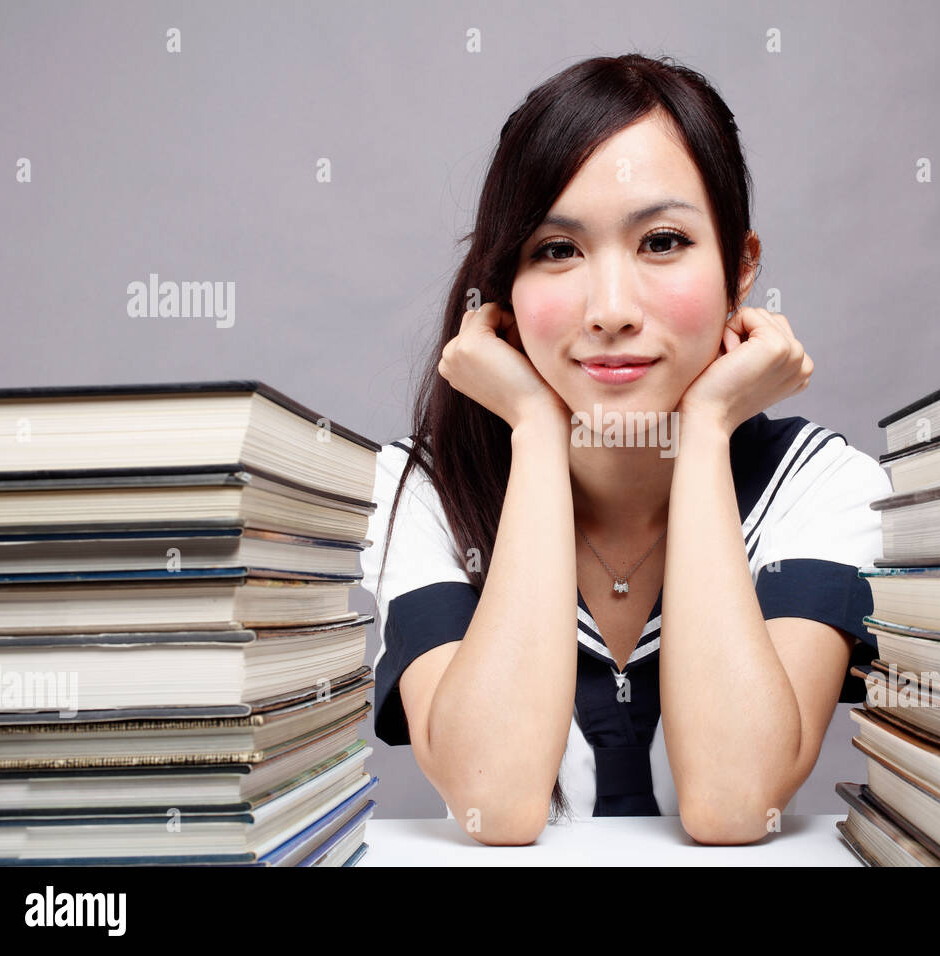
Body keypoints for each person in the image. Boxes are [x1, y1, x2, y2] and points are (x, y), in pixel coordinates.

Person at [359, 52, 891, 846]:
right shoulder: (425, 489)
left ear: (740, 271)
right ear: (501, 287)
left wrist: (707, 429)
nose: (610, 310)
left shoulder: (823, 488)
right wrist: (535, 432)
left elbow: (737, 804)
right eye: (557, 250)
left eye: (663, 241)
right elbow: (496, 805)